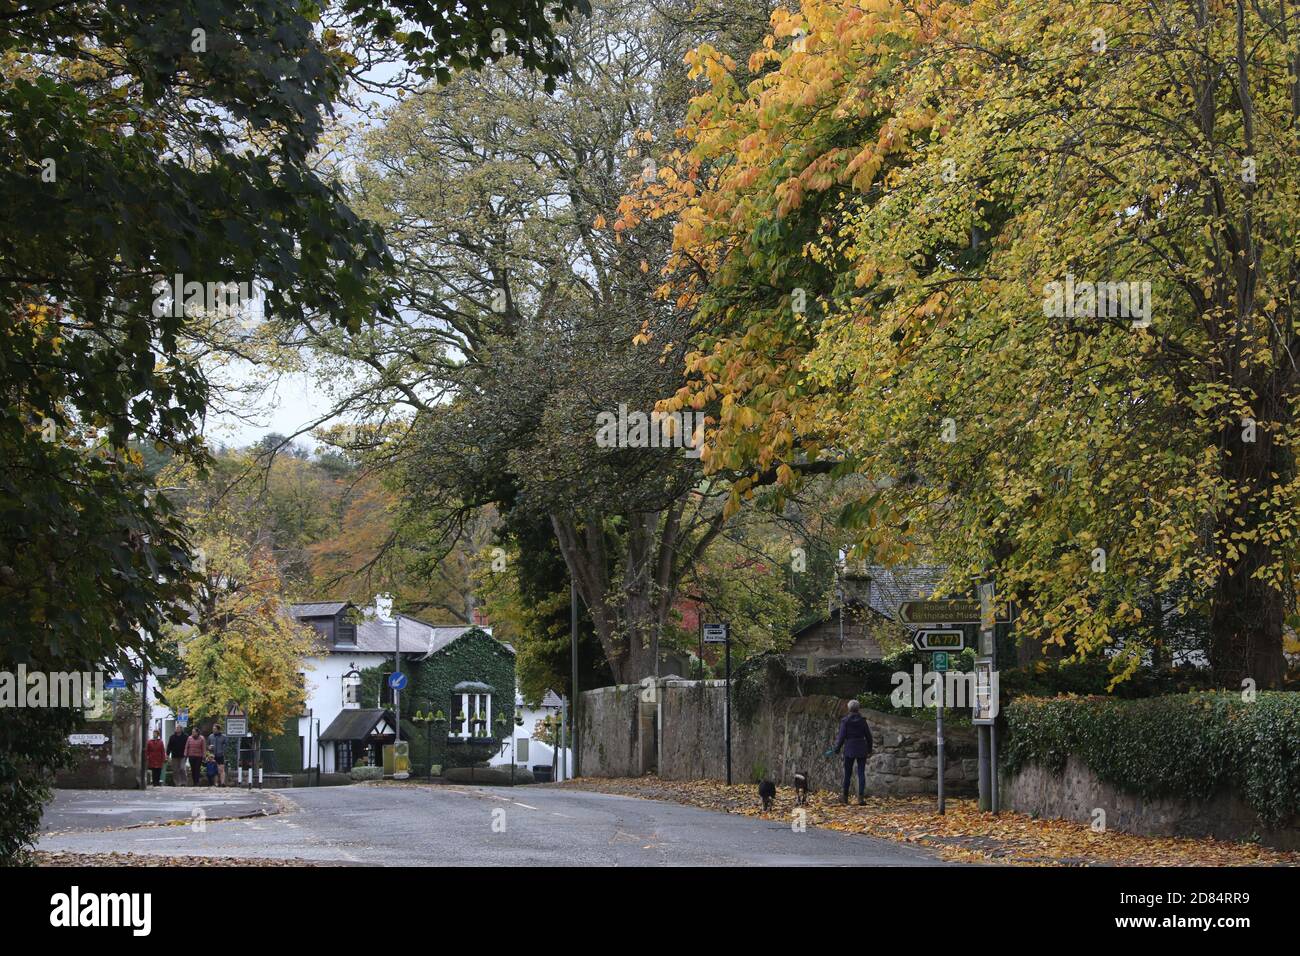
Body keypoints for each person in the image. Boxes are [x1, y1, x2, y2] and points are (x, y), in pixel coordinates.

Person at [833, 699, 873, 805]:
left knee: (847, 773)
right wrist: (869, 749)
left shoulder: (845, 721)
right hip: (861, 748)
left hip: (849, 748)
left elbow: (841, 737)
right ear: (858, 709)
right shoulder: (863, 721)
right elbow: (869, 736)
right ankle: (860, 798)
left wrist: (836, 749)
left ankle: (845, 798)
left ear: (849, 708)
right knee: (861, 773)